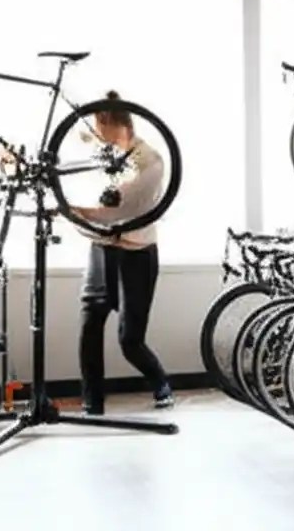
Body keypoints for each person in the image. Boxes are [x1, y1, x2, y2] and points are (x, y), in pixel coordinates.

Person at [70, 91, 173, 414]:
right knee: (89, 325)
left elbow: (116, 213)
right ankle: (92, 402)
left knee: (130, 340)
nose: (97, 135)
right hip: (102, 251)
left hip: (136, 254)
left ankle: (161, 383)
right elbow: (82, 139)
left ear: (114, 123)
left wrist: (72, 211)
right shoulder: (106, 151)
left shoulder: (150, 163)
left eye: (101, 127)